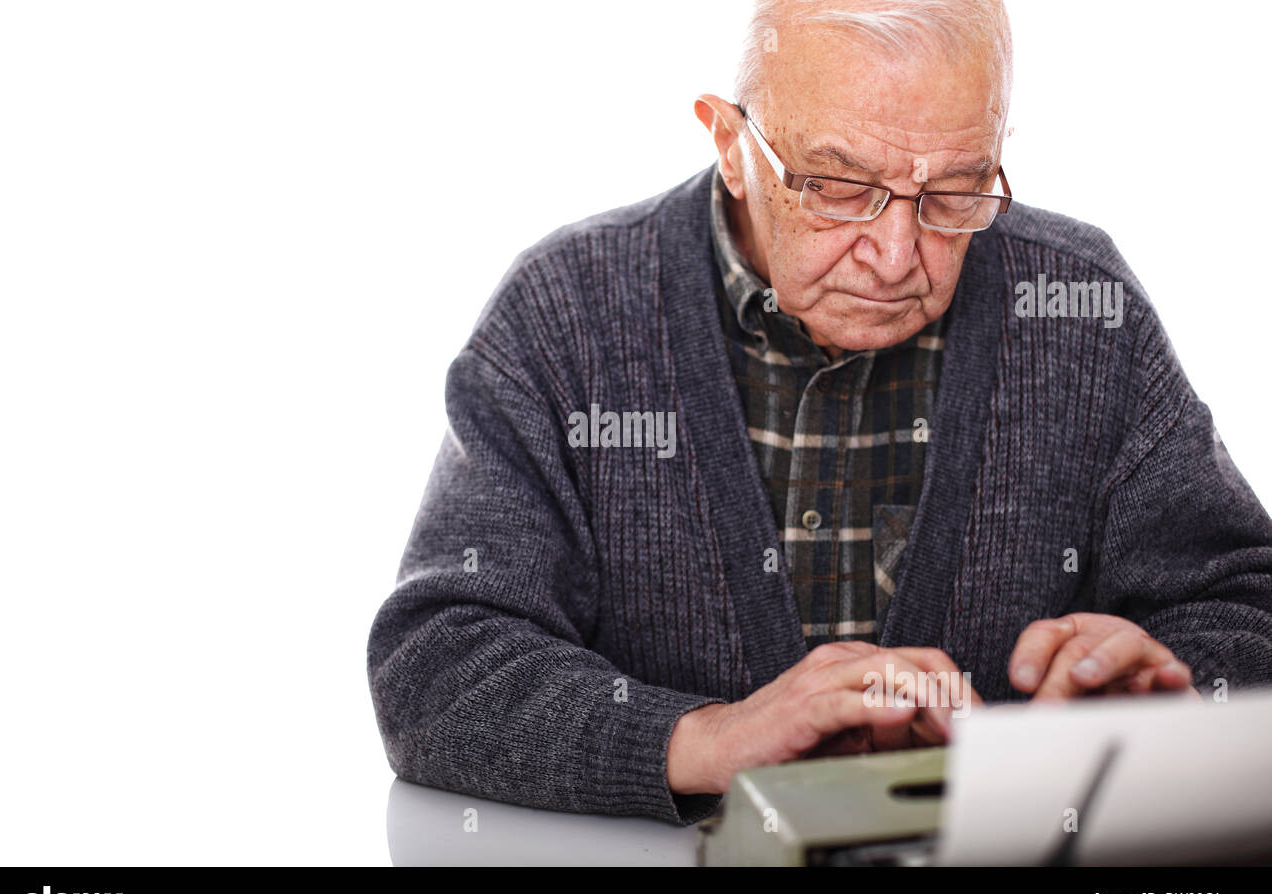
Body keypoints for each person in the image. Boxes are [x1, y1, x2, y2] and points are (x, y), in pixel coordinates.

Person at [367, 0, 1272, 824]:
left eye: (955, 192)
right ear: (728, 143)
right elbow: (435, 663)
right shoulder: (564, 310)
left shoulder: (1084, 304)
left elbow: (1247, 605)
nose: (894, 255)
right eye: (838, 187)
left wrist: (1172, 700)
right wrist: (713, 740)